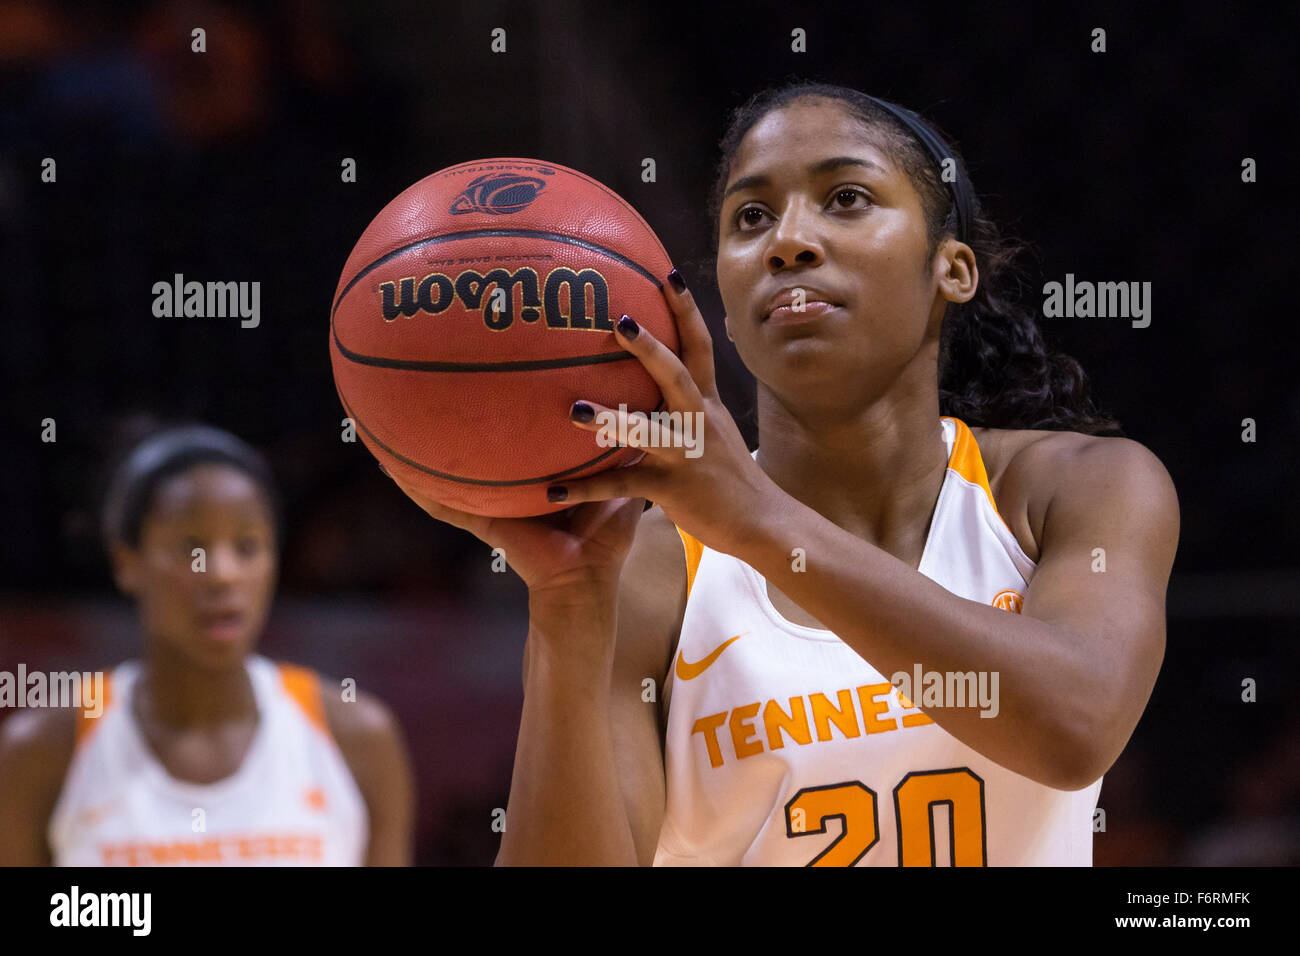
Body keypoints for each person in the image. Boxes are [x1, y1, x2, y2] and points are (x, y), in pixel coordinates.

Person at [384, 81, 1180, 866]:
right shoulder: (648, 565)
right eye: (751, 217)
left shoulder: (1079, 488)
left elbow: (1074, 727)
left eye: (847, 198)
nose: (787, 242)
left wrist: (756, 520)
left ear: (953, 271)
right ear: (726, 304)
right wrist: (565, 610)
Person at [0, 424, 414, 866]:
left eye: (248, 546)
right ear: (126, 562)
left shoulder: (359, 738)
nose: (223, 574)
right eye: (190, 547)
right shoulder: (42, 750)